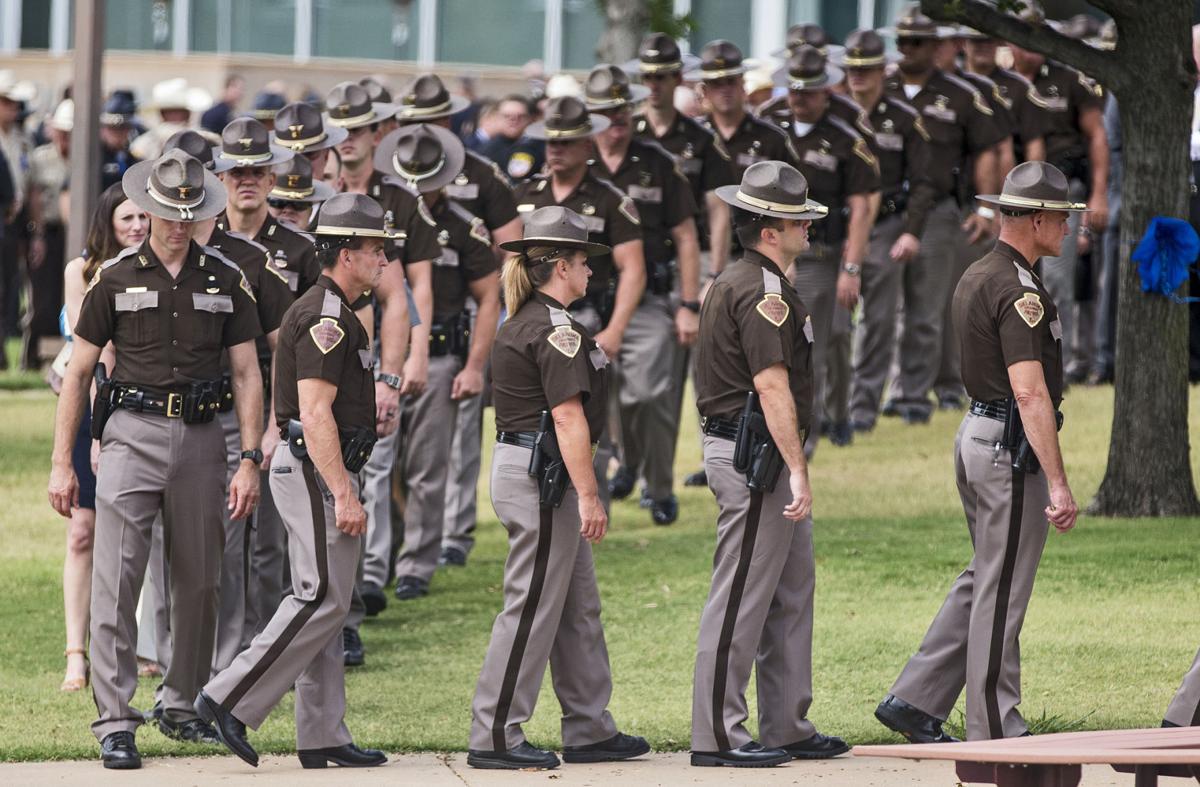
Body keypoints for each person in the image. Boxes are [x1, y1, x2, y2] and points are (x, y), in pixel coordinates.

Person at [47, 149, 263, 769]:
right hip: (129, 435)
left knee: (200, 579)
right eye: (167, 211)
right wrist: (63, 462)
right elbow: (81, 368)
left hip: (201, 437)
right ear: (149, 208)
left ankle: (180, 703)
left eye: (188, 212)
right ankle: (116, 719)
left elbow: (247, 373)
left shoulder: (225, 277)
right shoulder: (112, 277)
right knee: (117, 580)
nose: (176, 223)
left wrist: (248, 458)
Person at [876, 160, 1081, 743]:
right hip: (1008, 443)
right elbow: (1028, 388)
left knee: (986, 575)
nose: (1067, 228)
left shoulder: (980, 271)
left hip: (978, 434)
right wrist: (1059, 482)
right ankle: (994, 724)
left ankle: (915, 700)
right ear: (1037, 218)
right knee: (1003, 587)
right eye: (1061, 217)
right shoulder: (1018, 289)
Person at [196, 193, 390, 770]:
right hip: (313, 469)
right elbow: (316, 412)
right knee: (319, 596)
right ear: (347, 253)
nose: (383, 260)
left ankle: (323, 733)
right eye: (376, 249)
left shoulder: (335, 310)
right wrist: (344, 491)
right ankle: (225, 695)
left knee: (329, 605)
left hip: (319, 468)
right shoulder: (327, 317)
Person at [468, 206, 649, 770]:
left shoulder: (530, 320)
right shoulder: (553, 328)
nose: (591, 271)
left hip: (537, 470)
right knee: (530, 609)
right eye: (583, 262)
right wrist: (590, 495)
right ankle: (495, 733)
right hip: (542, 476)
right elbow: (568, 419)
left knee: (576, 608)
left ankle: (589, 728)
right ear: (561, 268)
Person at [690, 161, 847, 768]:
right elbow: (771, 386)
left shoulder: (751, 280)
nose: (809, 223)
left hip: (758, 452)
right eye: (798, 216)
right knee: (741, 595)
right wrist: (798, 467)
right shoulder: (761, 290)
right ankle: (718, 735)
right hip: (754, 455)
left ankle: (786, 723)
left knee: (788, 591)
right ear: (771, 228)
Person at [392, 72, 523, 567]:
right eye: (414, 120)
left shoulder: (482, 174)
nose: (423, 127)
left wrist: (500, 308)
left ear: (449, 119)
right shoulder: (396, 177)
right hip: (404, 309)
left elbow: (511, 248)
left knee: (462, 428)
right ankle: (406, 536)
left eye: (432, 118)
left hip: (470, 299)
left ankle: (454, 531)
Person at [369, 123, 500, 603]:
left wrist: (474, 366)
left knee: (426, 468)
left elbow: (490, 299)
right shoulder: (378, 217)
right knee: (379, 467)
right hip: (382, 353)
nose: (420, 188)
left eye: (429, 179)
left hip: (441, 356)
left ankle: (417, 564)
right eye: (412, 178)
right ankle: (375, 563)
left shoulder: (465, 228)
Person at [512, 96, 646, 507]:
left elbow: (633, 268)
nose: (555, 150)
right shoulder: (527, 194)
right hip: (532, 320)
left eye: (566, 142)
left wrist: (616, 329)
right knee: (532, 418)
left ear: (588, 145)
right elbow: (512, 267)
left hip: (587, 318)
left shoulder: (610, 199)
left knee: (586, 419)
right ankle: (537, 502)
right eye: (550, 142)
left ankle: (593, 506)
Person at [583, 63, 700, 524]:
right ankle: (626, 463)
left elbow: (687, 236)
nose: (616, 121)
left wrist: (689, 305)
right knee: (605, 400)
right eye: (606, 113)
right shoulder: (579, 162)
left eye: (622, 112)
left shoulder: (657, 163)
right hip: (589, 300)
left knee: (649, 394)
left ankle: (659, 485)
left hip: (649, 297)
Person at [879, 4, 1005, 425]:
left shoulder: (960, 93)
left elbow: (988, 150)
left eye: (916, 42)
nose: (907, 49)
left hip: (938, 210)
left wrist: (987, 207)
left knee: (926, 309)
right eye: (901, 42)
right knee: (882, 311)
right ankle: (890, 390)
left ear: (934, 47)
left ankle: (914, 395)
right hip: (886, 209)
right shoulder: (882, 87)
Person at [57, 183, 149, 693]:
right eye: (126, 217)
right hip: (94, 405)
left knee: (136, 535)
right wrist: (95, 424)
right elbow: (89, 349)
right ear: (107, 223)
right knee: (82, 531)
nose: (137, 225)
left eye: (142, 217)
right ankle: (76, 652)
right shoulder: (84, 271)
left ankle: (136, 643)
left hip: (141, 411)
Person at [774, 46, 880, 450]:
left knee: (817, 343)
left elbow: (862, 204)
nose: (799, 98)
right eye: (793, 91)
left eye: (808, 91)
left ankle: (810, 432)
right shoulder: (772, 130)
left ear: (825, 92)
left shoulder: (844, 138)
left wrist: (851, 267)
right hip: (776, 251)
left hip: (820, 254)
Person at [839, 29, 938, 435]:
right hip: (836, 227)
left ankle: (862, 406)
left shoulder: (904, 118)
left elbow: (924, 180)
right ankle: (830, 404)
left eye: (866, 69)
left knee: (877, 321)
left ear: (883, 70)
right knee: (833, 323)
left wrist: (911, 231)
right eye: (852, 69)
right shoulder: (835, 115)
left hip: (885, 226)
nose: (858, 76)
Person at [1008, 1, 1108, 383]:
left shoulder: (1069, 81)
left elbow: (1097, 137)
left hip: (1060, 195)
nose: (1029, 47)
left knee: (1058, 282)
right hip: (1014, 198)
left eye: (1037, 38)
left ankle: (1058, 364)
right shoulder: (1001, 84)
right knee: (1013, 281)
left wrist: (1097, 195)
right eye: (1022, 38)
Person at [23, 98, 73, 369]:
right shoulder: (41, 158)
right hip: (50, 231)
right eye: (62, 132)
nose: (65, 138)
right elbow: (35, 198)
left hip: (74, 232)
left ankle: (60, 357)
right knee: (42, 299)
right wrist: (37, 234)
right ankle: (32, 358)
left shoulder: (85, 155)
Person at [479, 94, 544, 182]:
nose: (513, 120)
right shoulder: (485, 149)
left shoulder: (541, 148)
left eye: (520, 116)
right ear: (497, 117)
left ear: (530, 119)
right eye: (507, 116)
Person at [268, 154, 335, 232]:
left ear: (310, 212)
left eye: (299, 204)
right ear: (264, 206)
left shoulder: (318, 244)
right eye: (279, 202)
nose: (289, 210)